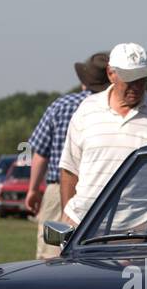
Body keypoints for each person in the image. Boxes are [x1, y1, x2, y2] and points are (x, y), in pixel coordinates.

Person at [60, 43, 147, 228]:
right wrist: (67, 222)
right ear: (111, 74)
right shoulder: (86, 110)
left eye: (141, 78)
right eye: (129, 79)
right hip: (81, 227)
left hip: (137, 231)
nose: (136, 86)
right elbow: (69, 170)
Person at [24, 51, 108, 259]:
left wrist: (33, 190)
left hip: (57, 187)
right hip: (103, 190)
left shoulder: (60, 105)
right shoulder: (111, 110)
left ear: (84, 81)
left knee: (50, 258)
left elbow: (40, 153)